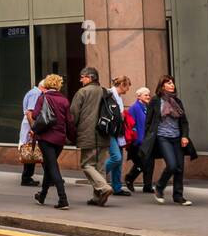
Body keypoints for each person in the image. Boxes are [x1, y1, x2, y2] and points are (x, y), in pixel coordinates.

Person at [141, 74, 193, 206]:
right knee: (172, 165)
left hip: (177, 137)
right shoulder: (155, 101)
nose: (172, 84)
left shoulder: (177, 101)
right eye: (168, 82)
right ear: (162, 85)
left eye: (172, 82)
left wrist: (185, 136)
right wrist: (148, 139)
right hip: (162, 137)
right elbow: (148, 122)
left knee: (180, 167)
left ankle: (178, 196)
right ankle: (159, 187)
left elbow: (184, 121)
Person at [67, 66, 113, 206]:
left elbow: (73, 115)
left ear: (90, 77)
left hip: (88, 134)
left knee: (86, 164)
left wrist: (70, 132)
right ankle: (98, 198)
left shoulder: (82, 92)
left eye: (83, 77)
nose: (81, 80)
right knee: (100, 167)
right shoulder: (105, 91)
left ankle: (103, 188)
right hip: (104, 134)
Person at [30, 74, 72, 210]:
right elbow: (69, 121)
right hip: (59, 139)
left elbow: (36, 115)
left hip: (46, 138)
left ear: (47, 84)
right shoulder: (64, 100)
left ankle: (63, 199)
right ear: (59, 85)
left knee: (52, 167)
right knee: (49, 167)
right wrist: (72, 137)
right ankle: (42, 195)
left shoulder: (43, 98)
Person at [105, 75, 132, 196]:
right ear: (122, 85)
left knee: (119, 161)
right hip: (110, 131)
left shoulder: (118, 96)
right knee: (116, 157)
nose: (128, 90)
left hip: (118, 131)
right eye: (127, 86)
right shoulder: (109, 94)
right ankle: (97, 176)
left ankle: (117, 187)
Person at [125, 85, 152, 193]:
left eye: (149, 95)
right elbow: (130, 125)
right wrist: (135, 138)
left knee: (149, 163)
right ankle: (129, 178)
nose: (148, 97)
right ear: (139, 96)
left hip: (146, 141)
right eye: (146, 95)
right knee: (142, 163)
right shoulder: (134, 108)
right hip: (137, 142)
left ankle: (147, 186)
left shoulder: (147, 107)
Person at [18, 78, 43, 187]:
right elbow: (30, 112)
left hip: (29, 126)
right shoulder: (35, 94)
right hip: (30, 126)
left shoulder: (34, 92)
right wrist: (33, 128)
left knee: (31, 151)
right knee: (30, 150)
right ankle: (26, 178)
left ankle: (27, 177)